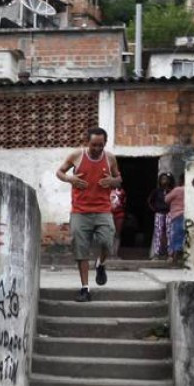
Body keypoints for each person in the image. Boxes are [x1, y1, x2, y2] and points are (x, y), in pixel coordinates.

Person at [56, 126, 123, 302]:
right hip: (80, 211)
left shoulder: (110, 158)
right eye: (94, 145)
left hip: (103, 210)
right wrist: (70, 178)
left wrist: (112, 181)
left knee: (108, 242)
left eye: (101, 145)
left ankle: (100, 264)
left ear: (105, 143)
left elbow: (119, 179)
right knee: (81, 250)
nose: (97, 149)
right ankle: (85, 289)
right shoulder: (76, 156)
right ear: (87, 142)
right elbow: (59, 172)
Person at [149, 173, 174, 261]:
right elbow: (150, 201)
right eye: (162, 179)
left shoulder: (172, 191)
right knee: (158, 233)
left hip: (169, 213)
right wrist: (155, 209)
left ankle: (170, 254)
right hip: (159, 213)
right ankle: (156, 254)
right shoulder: (156, 191)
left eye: (166, 179)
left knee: (169, 233)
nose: (164, 181)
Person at [165, 175, 186, 265]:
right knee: (184, 236)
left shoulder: (178, 190)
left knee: (176, 235)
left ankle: (174, 257)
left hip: (177, 215)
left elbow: (166, 199)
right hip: (189, 215)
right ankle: (180, 255)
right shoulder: (193, 190)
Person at [109, 184, 126, 259]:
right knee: (109, 233)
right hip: (108, 214)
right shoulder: (106, 190)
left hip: (119, 214)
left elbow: (124, 202)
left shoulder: (122, 191)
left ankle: (115, 253)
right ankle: (108, 253)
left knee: (117, 234)